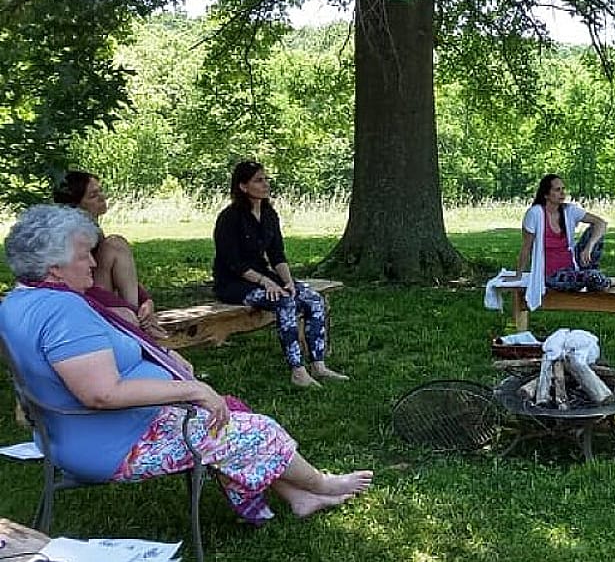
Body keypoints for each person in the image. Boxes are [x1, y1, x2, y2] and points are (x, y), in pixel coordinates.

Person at [0, 205, 373, 525]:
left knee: (230, 416)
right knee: (258, 430)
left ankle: (299, 496)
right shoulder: (62, 310)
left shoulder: (21, 300)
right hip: (110, 442)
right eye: (84, 255)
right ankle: (321, 484)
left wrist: (161, 359)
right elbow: (101, 394)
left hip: (72, 433)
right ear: (54, 266)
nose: (95, 263)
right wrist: (191, 388)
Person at [212, 161, 345, 388]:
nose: (266, 184)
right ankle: (298, 371)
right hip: (234, 283)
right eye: (258, 180)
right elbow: (233, 263)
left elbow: (277, 255)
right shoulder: (229, 218)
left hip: (264, 277)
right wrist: (265, 283)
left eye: (266, 179)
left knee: (313, 299)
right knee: (285, 302)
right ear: (243, 186)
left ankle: (318, 365)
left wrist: (288, 281)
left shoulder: (269, 214)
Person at [52, 170, 166, 338]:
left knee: (115, 243)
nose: (102, 197)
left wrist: (146, 301)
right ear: (75, 205)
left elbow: (124, 275)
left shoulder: (93, 228)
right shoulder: (69, 236)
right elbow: (79, 286)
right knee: (115, 244)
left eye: (100, 191)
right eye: (93, 195)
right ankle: (138, 326)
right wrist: (126, 310)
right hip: (80, 302)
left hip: (102, 297)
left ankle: (140, 322)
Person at [506, 174, 615, 312]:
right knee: (592, 276)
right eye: (557, 190)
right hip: (554, 276)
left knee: (594, 231)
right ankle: (609, 281)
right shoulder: (535, 214)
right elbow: (526, 248)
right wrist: (518, 275)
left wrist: (589, 247)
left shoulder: (569, 210)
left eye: (563, 189)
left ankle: (592, 276)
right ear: (546, 194)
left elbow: (601, 223)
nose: (562, 193)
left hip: (574, 266)